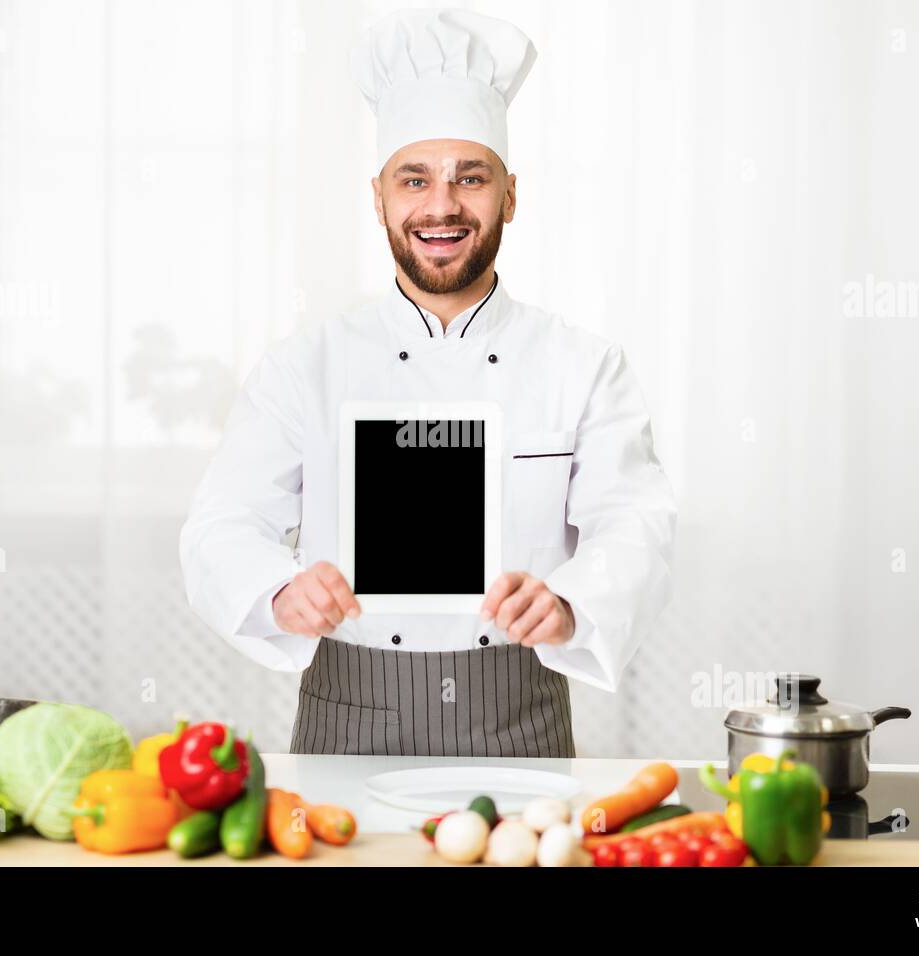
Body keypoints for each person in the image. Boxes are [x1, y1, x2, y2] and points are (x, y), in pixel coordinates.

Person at [180, 8, 676, 757]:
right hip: (348, 710)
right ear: (378, 198)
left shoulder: (584, 365)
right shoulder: (303, 366)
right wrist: (278, 590)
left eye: (468, 178)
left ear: (510, 195)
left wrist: (571, 603)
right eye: (415, 179)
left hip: (521, 718)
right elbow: (221, 524)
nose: (441, 206)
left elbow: (635, 523)